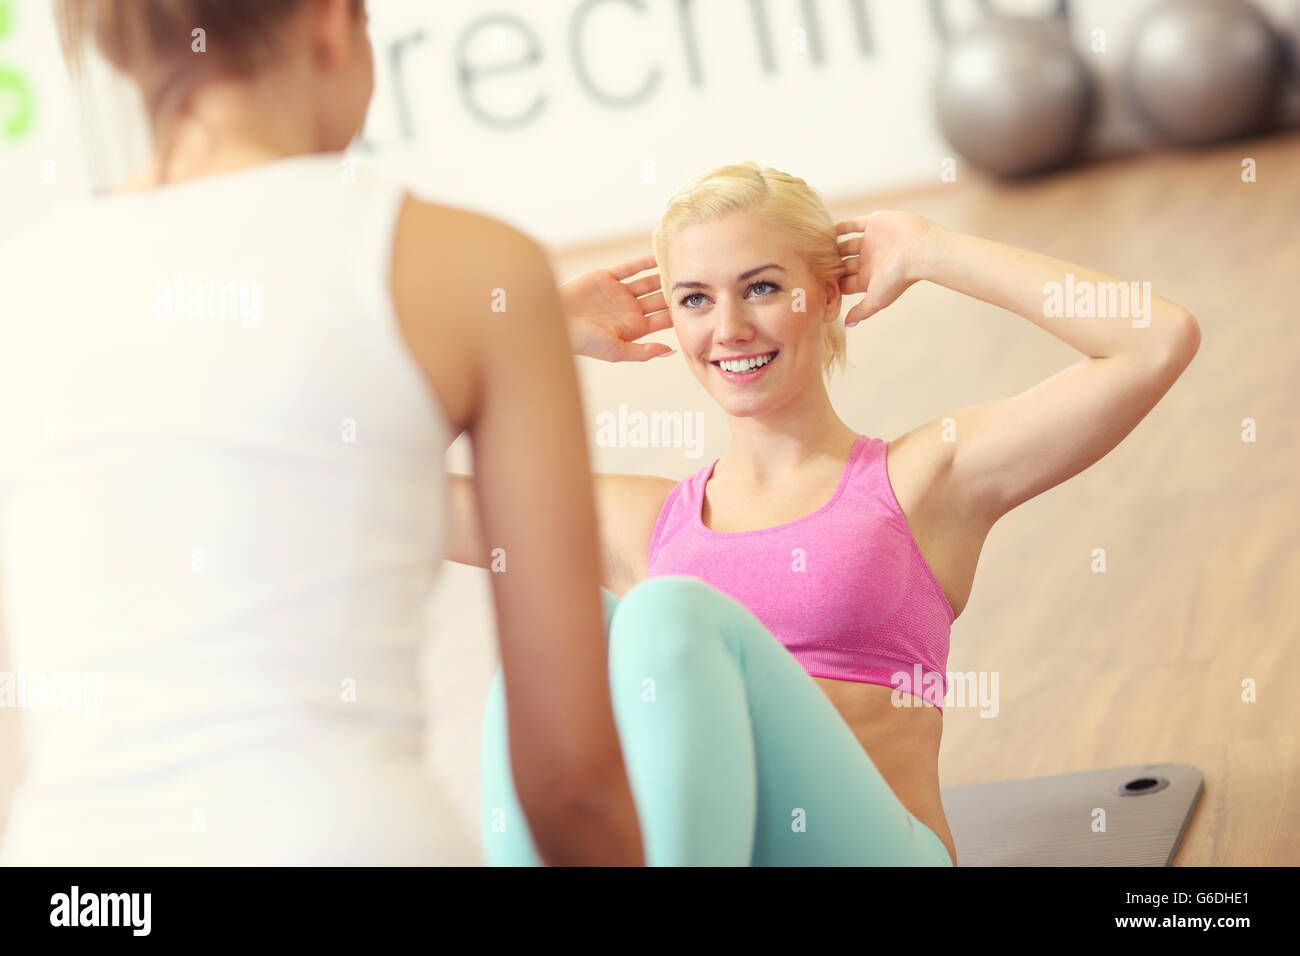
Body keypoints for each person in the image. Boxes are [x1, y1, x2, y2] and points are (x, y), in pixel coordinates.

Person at [0, 0, 642, 866]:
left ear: (122, 52)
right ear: (333, 25)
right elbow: (574, 787)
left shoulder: (26, 289)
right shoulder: (477, 269)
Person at [464, 161, 1201, 865]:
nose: (728, 328)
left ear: (824, 294)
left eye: (759, 287)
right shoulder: (644, 524)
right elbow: (369, 488)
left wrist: (931, 249)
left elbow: (1154, 340)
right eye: (694, 298)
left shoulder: (920, 482)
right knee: (562, 627)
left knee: (669, 614)